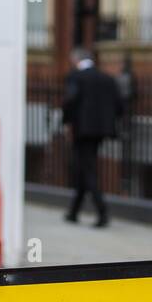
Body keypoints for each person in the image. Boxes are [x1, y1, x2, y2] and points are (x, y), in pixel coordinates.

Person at [61, 48, 123, 227]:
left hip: (82, 130)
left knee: (87, 170)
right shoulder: (107, 79)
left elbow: (70, 101)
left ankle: (102, 211)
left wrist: (67, 123)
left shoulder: (75, 77)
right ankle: (73, 212)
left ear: (75, 60)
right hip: (101, 131)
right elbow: (119, 106)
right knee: (84, 167)